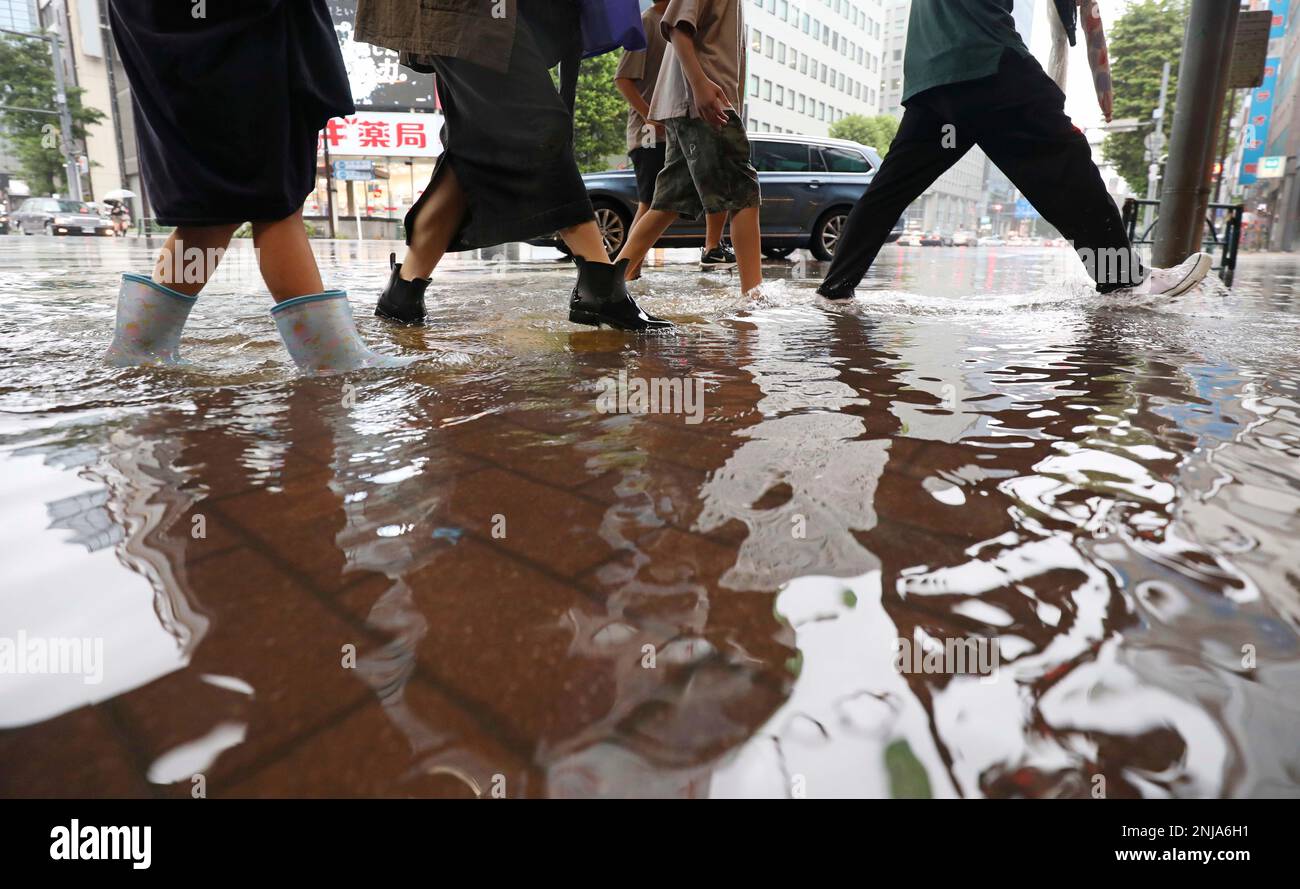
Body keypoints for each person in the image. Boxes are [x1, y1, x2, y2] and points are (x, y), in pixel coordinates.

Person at [817, 0, 1211, 302]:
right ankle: (1123, 278)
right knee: (1068, 168)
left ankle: (834, 290)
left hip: (933, 82)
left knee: (888, 191)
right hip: (992, 63)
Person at [103, 1, 403, 373]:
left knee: (211, 210)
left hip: (169, 29)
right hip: (242, 34)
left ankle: (141, 346)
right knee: (274, 202)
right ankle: (330, 357)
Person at [355, 0, 670, 332]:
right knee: (539, 124)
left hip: (494, 13)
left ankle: (403, 291)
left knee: (476, 145)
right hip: (470, 10)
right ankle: (600, 286)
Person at [612, 0, 763, 295]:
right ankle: (754, 296)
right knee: (743, 193)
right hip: (705, 101)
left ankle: (609, 284)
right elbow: (678, 28)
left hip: (694, 101)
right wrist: (700, 86)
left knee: (670, 199)